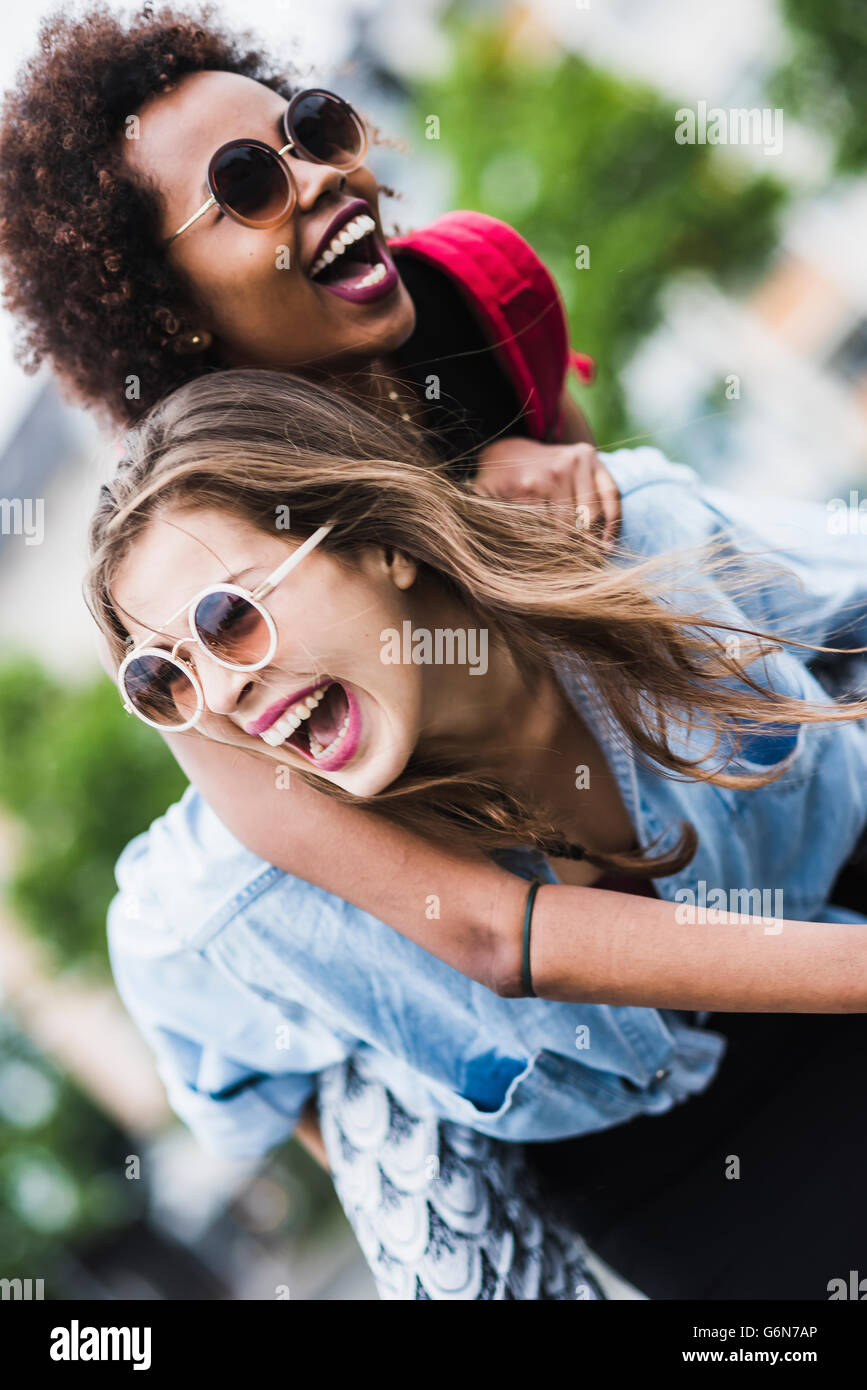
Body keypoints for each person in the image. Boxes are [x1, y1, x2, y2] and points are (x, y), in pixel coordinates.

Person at [90, 367, 867, 1298]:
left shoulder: (640, 539)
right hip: (668, 1185)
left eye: (229, 617)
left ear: (381, 542)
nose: (220, 693)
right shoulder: (230, 908)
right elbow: (254, 1088)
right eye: (163, 676)